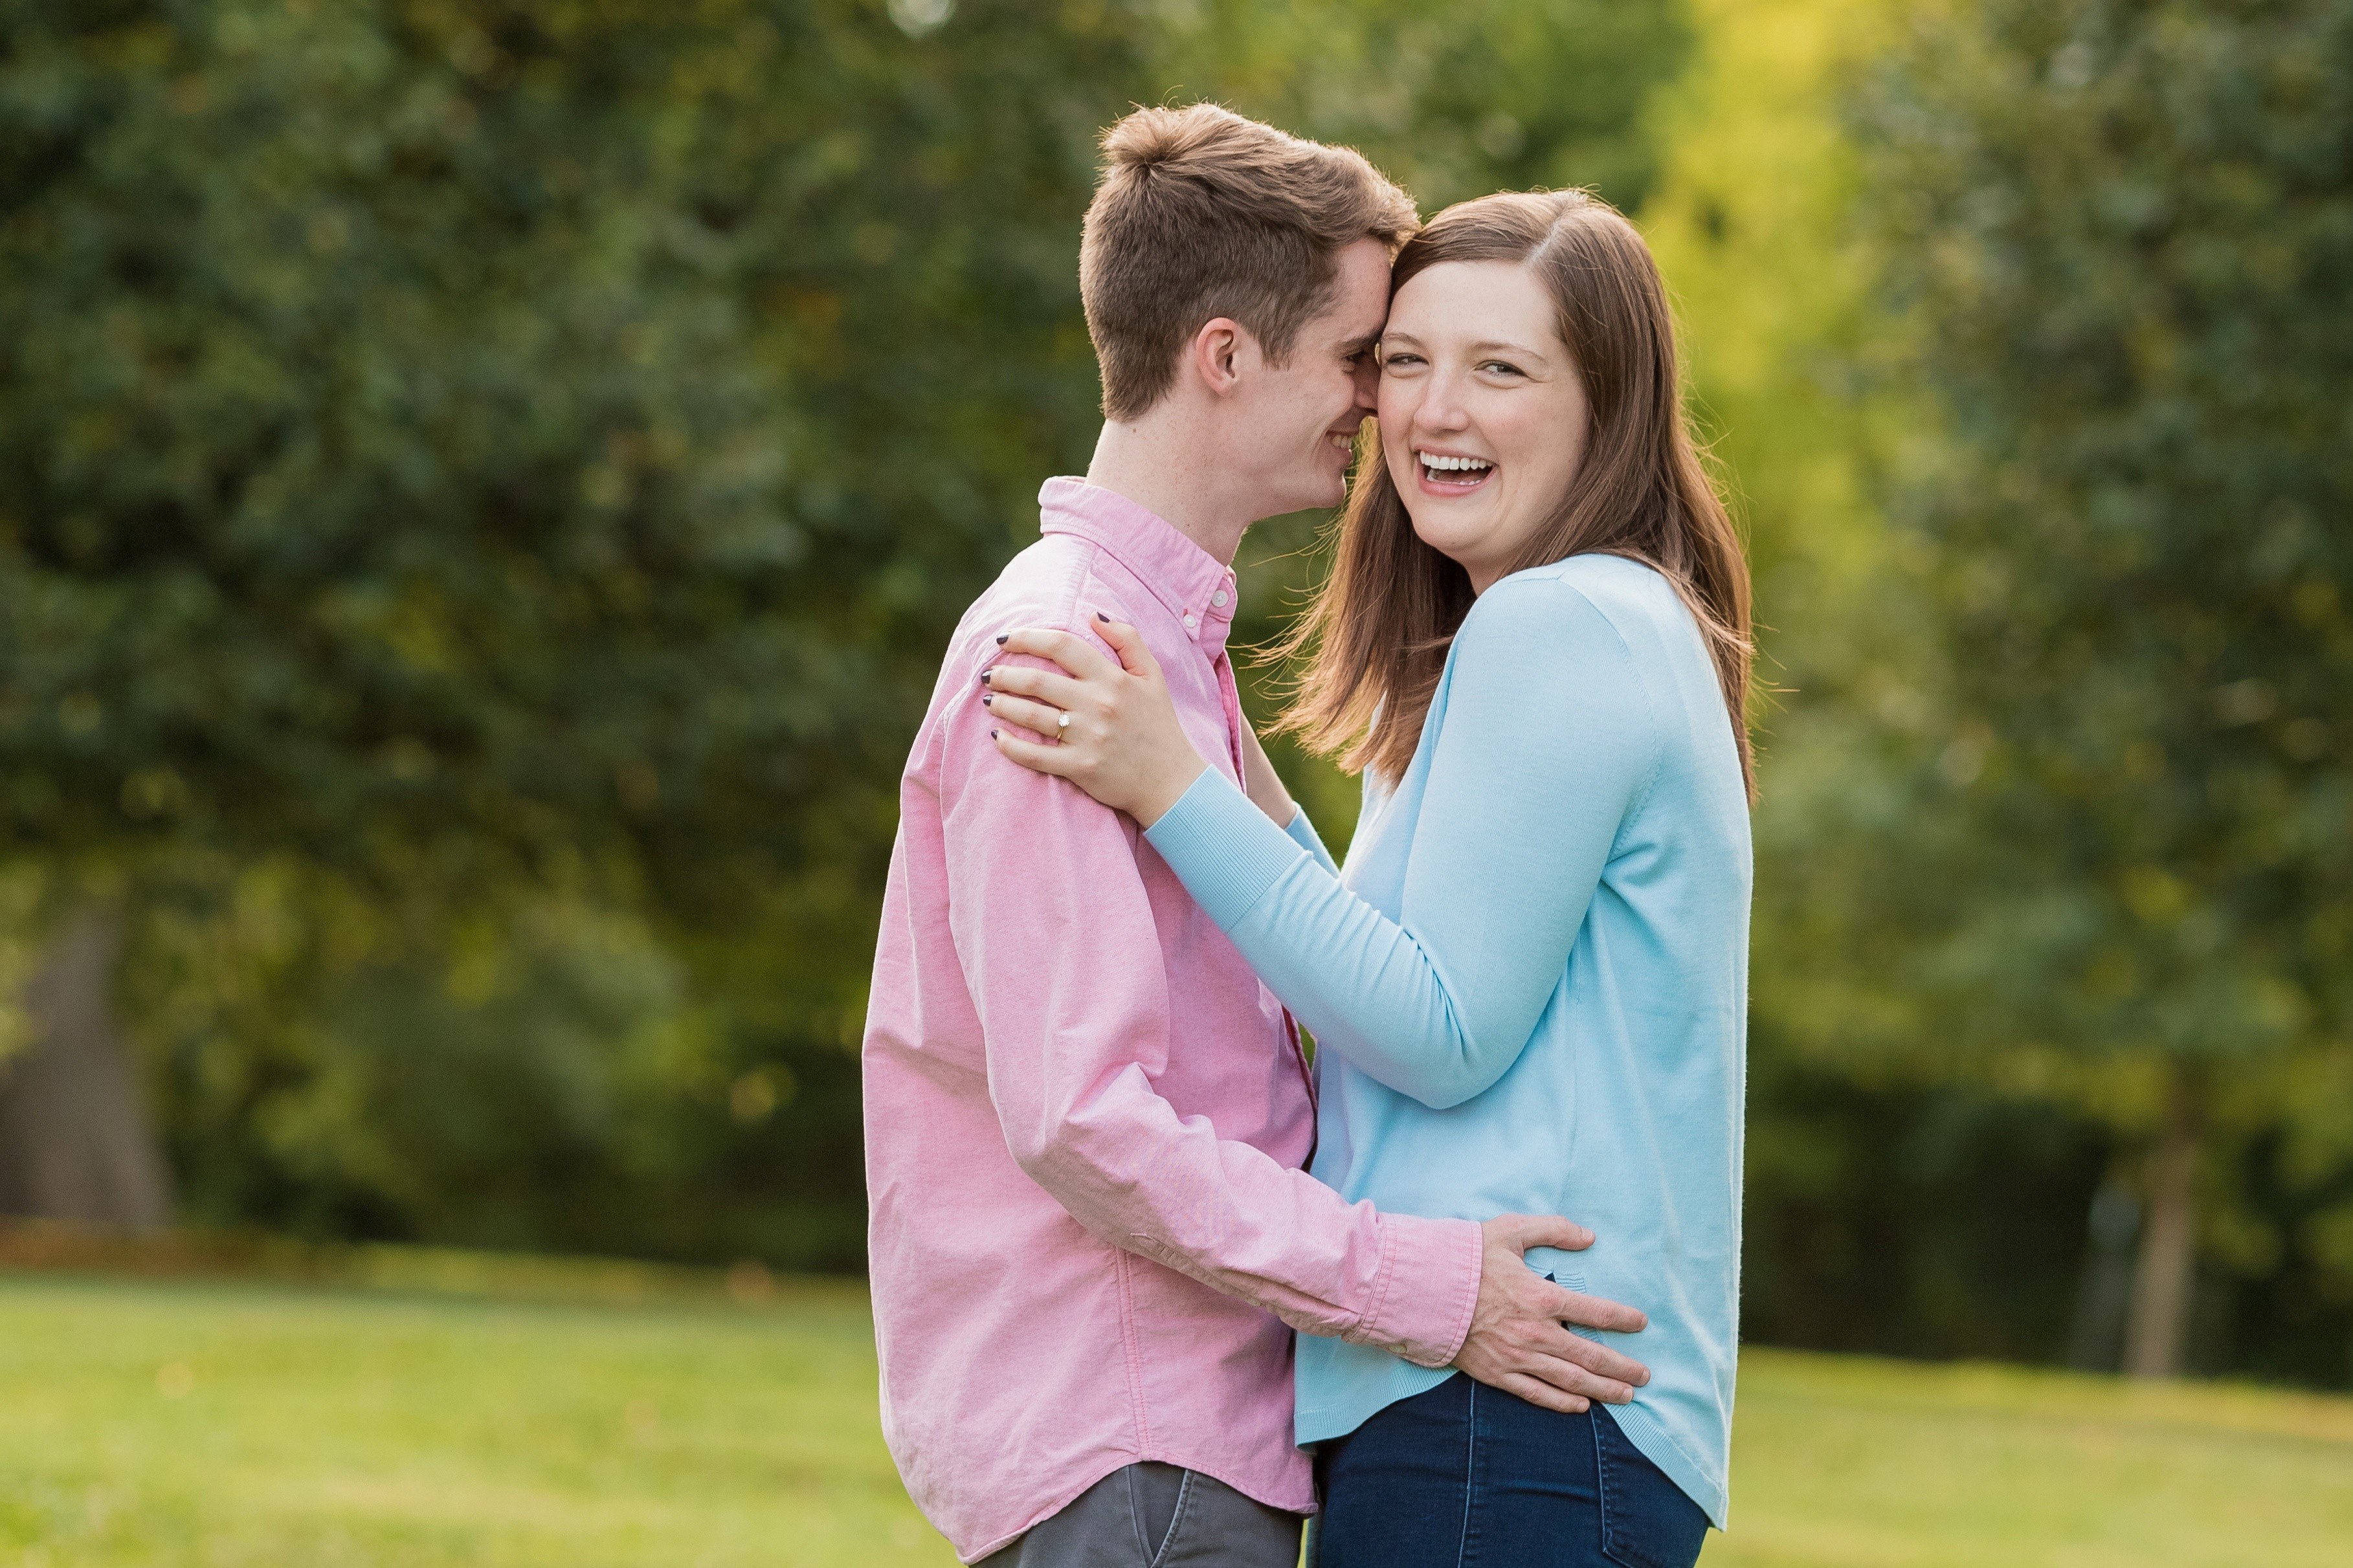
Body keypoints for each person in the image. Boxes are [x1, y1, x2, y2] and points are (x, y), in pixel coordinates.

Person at [862, 114, 1654, 1567]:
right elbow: (1083, 1118)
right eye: (1366, 355)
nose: (1386, 403)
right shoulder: (1061, 656)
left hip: (1186, 1435)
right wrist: (1423, 1285)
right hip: (1132, 1435)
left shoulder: (1165, 663)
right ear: (1228, 357)